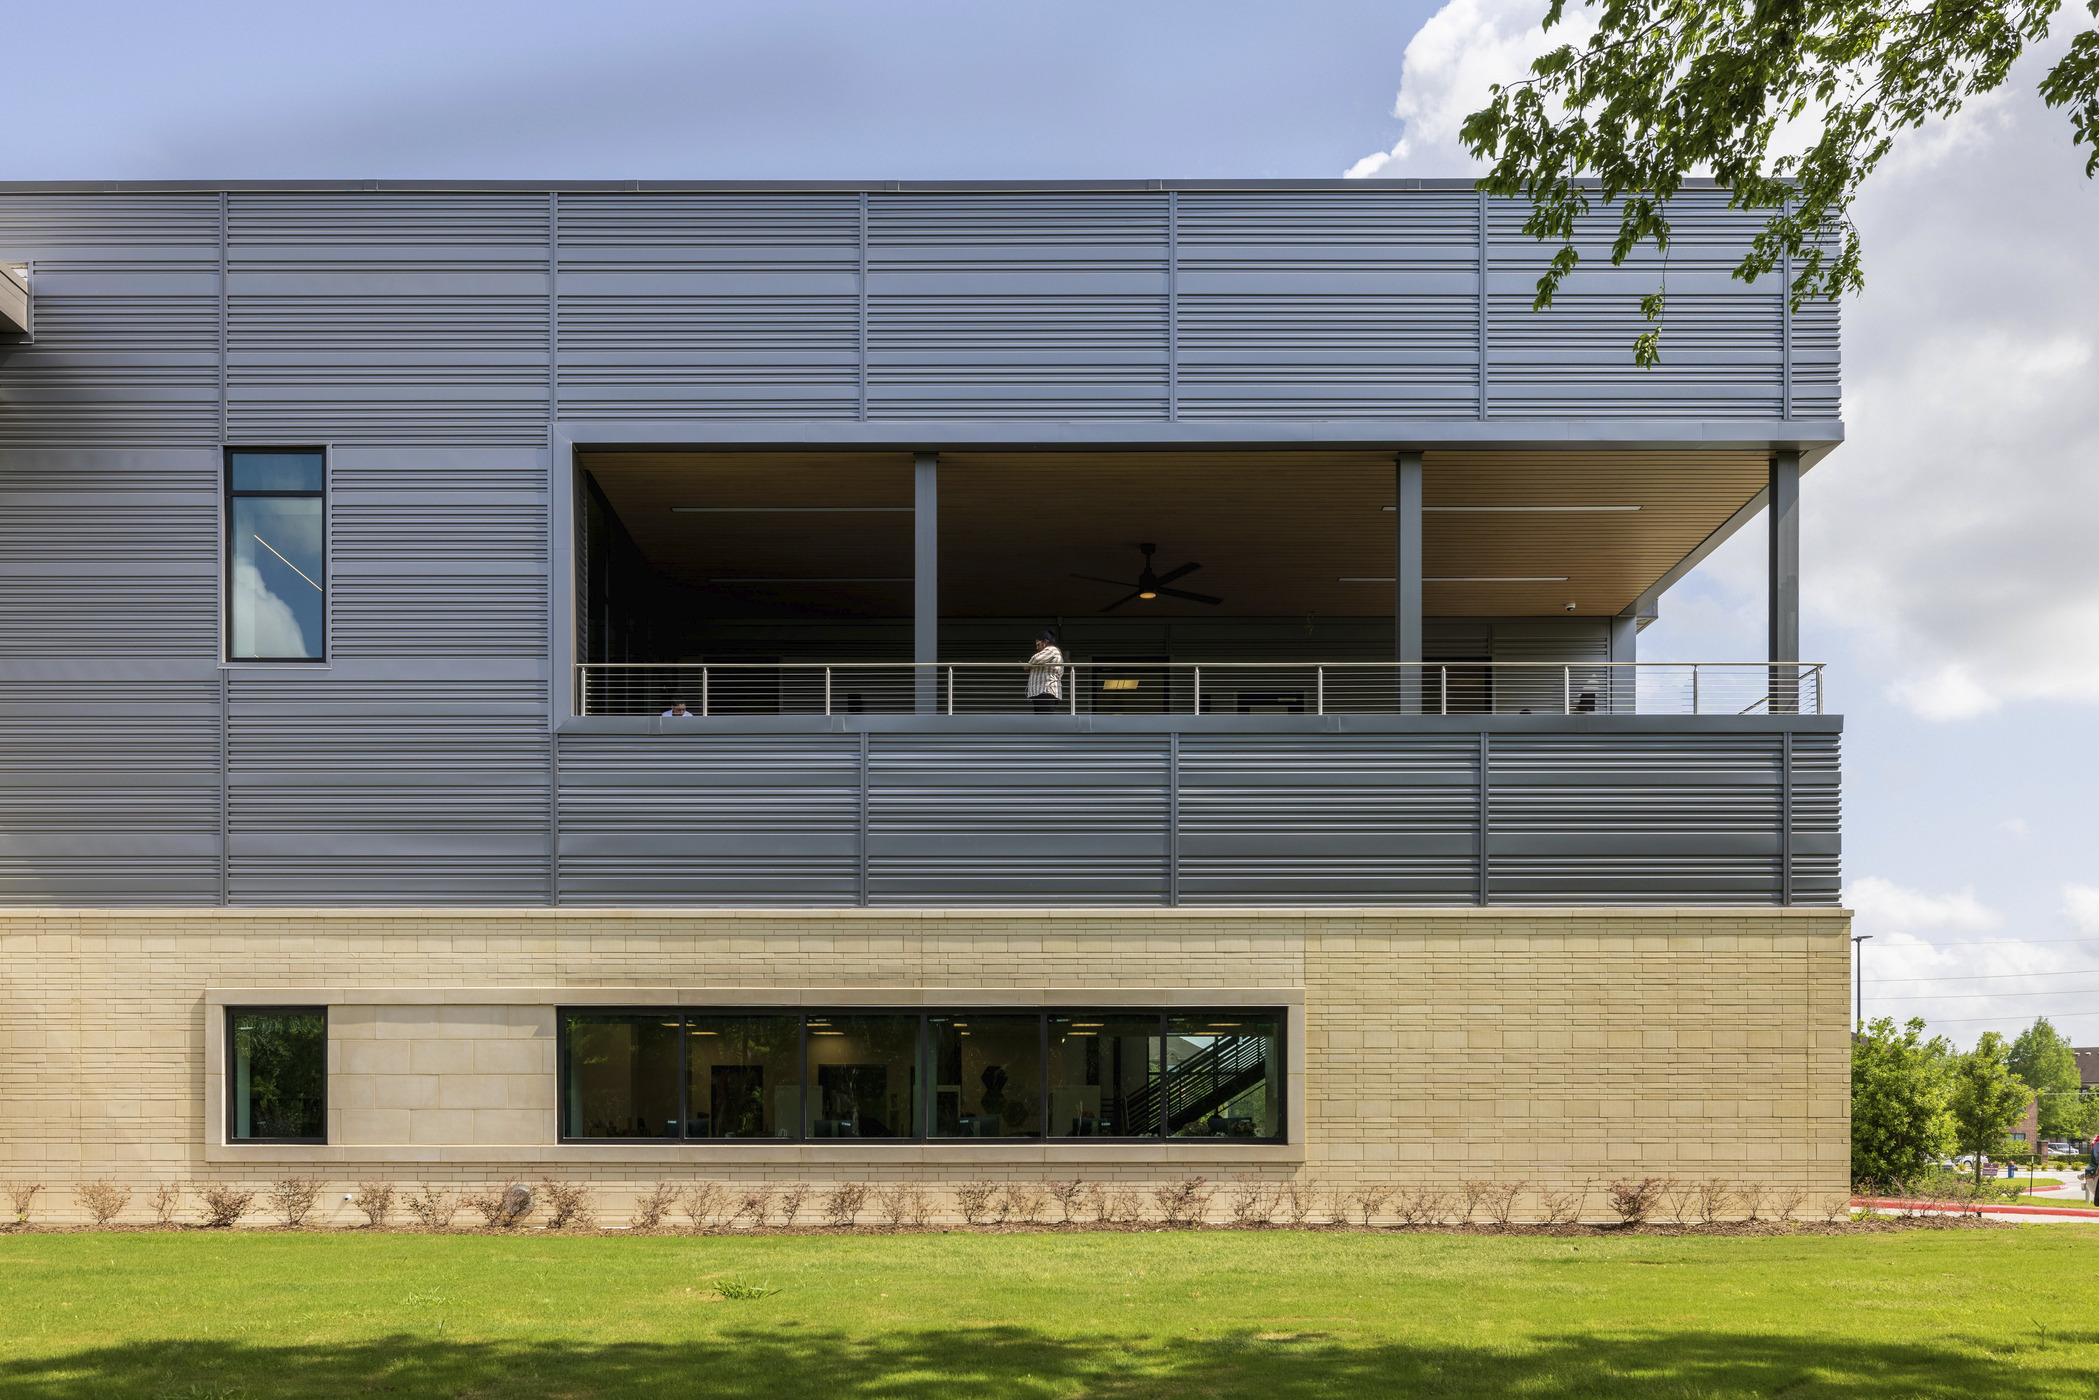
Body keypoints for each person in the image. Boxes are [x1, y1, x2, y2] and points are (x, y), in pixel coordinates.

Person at [1025, 628, 1064, 714]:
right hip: (1042, 692)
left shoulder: (1051, 650)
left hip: (1046, 691)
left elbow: (1036, 659)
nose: (1037, 648)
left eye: (1038, 644)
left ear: (1045, 642)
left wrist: (1028, 665)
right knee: (1041, 719)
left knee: (1045, 719)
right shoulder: (1051, 652)